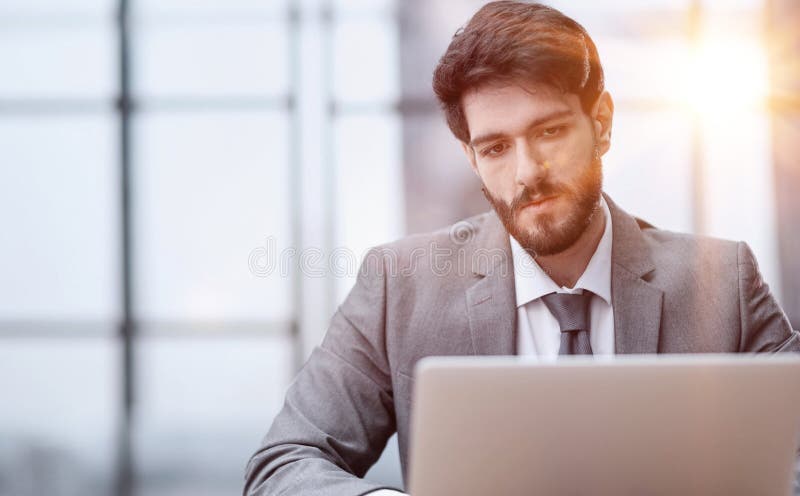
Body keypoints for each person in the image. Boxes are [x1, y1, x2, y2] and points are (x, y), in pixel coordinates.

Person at [243, 2, 800, 495]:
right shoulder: (398, 285)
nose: (527, 173)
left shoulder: (723, 281)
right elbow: (282, 465)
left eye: (551, 132)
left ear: (601, 123)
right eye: (496, 147)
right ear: (472, 157)